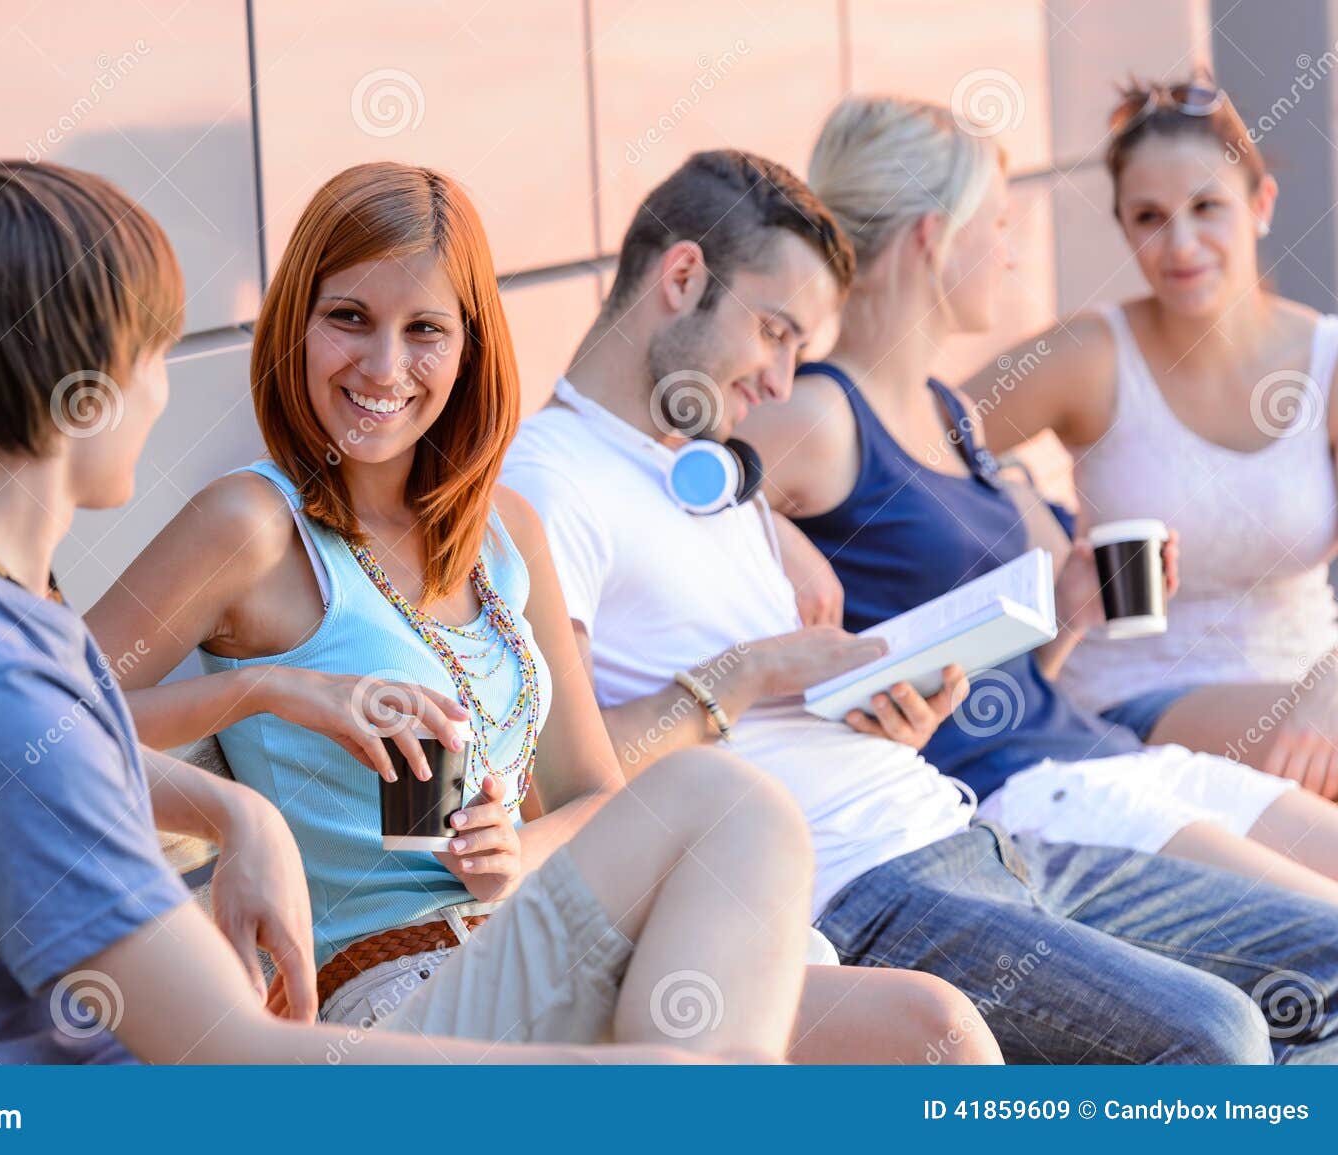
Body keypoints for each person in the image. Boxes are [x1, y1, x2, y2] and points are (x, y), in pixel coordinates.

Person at [0, 159, 735, 1065]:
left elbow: (69, 742)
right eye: (156, 352)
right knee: (725, 827)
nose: (165, 391)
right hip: (276, 1052)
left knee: (732, 843)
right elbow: (243, 1063)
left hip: (313, 1019)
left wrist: (240, 802)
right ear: (85, 387)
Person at [85, 159, 1000, 1064]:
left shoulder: (505, 533)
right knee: (723, 801)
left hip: (537, 940)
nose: (384, 366)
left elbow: (595, 794)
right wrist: (268, 694)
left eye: (426, 330)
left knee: (936, 1029)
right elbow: (46, 729)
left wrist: (516, 850)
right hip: (391, 998)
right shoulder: (250, 524)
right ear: (298, 325)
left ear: (471, 346)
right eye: (348, 318)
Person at [504, 145, 1338, 1063]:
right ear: (683, 276)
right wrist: (750, 671)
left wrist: (884, 711)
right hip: (864, 886)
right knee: (1216, 1037)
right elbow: (560, 783)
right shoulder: (548, 484)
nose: (782, 382)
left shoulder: (698, 459)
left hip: (967, 829)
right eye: (776, 331)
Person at [745, 93, 1338, 908]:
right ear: (934, 237)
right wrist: (769, 527)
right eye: (997, 225)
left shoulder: (942, 414)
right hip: (1044, 776)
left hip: (1095, 749)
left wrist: (1067, 602)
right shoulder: (824, 415)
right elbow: (679, 478)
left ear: (1259, 204)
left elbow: (991, 646)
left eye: (1208, 206)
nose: (1013, 252)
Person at [963, 76, 1338, 802]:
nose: (1182, 245)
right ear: (1125, 228)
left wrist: (1327, 689)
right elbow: (916, 437)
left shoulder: (1328, 364)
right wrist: (1020, 509)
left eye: (1207, 208)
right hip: (1135, 694)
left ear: (1260, 206)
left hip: (1315, 691)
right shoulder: (1091, 356)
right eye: (1149, 217)